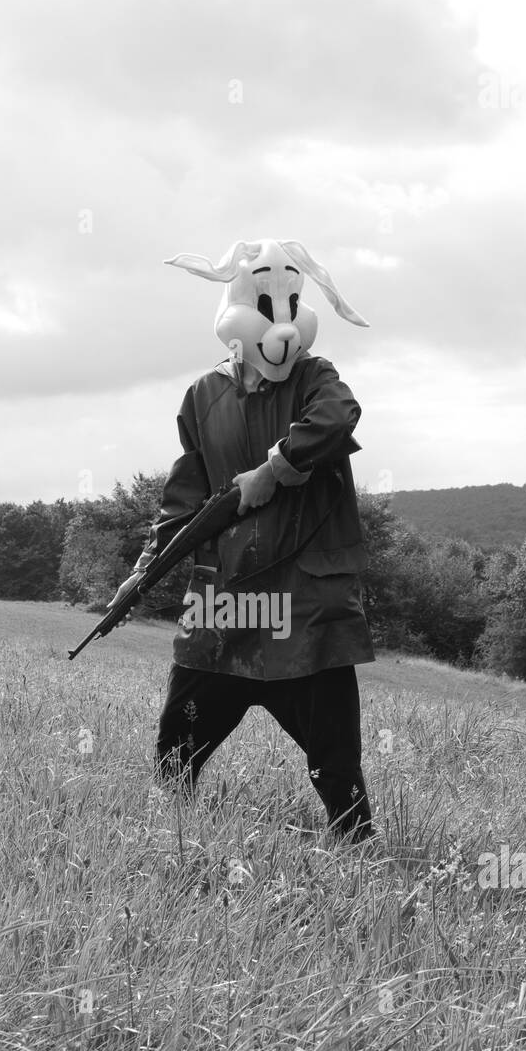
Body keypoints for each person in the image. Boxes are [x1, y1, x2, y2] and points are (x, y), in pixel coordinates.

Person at [110, 238, 376, 841]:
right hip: (225, 602)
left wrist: (276, 467)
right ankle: (170, 845)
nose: (282, 323)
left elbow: (338, 419)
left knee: (337, 764)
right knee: (177, 749)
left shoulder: (316, 378)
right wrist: (145, 566)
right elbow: (182, 500)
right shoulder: (202, 396)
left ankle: (360, 857)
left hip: (307, 603)